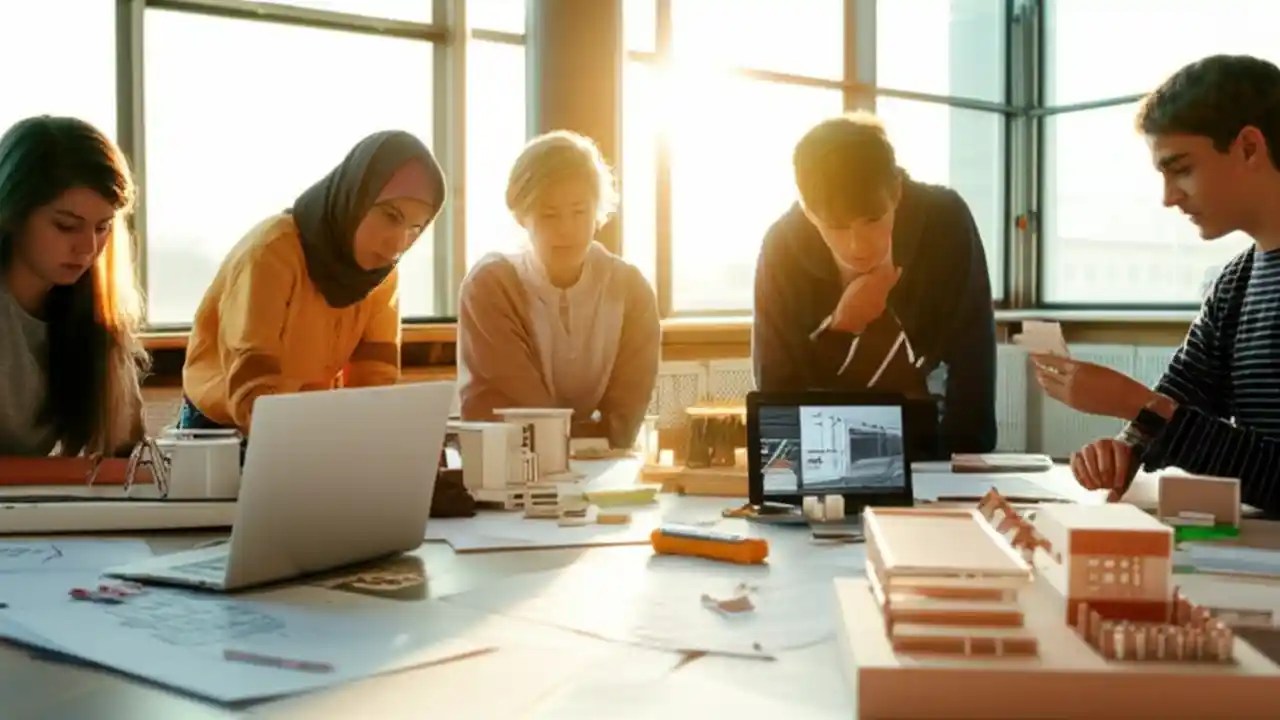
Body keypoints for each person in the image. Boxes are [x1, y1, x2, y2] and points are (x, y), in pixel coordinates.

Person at [1032, 55, 1280, 515]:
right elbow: (1180, 401)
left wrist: (1135, 403)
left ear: (1248, 147)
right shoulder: (1236, 283)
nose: (1169, 197)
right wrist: (1127, 449)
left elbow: (1166, 413)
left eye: (1181, 168)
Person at [752, 112, 997, 458]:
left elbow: (973, 350)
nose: (858, 245)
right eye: (836, 228)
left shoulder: (943, 219)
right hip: (824, 448)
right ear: (808, 212)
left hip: (932, 442)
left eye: (873, 221)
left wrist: (967, 465)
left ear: (896, 192)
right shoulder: (783, 246)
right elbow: (776, 387)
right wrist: (841, 327)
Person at [180, 131, 444, 435]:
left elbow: (376, 379)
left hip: (307, 425)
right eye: (390, 216)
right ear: (354, 197)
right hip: (221, 430)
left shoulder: (381, 276)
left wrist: (381, 437)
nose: (399, 242)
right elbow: (251, 386)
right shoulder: (273, 252)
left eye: (416, 228)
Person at [457, 130, 660, 450]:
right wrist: (589, 440)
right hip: (505, 460)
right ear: (522, 215)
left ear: (598, 213)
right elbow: (522, 413)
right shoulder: (492, 286)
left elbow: (626, 413)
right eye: (549, 214)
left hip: (599, 464)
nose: (566, 229)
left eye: (579, 212)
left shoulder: (630, 290)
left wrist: (595, 444)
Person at [0, 115, 148, 459]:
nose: (87, 248)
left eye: (103, 228)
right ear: (12, 214)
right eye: (66, 226)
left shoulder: (95, 317)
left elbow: (126, 455)